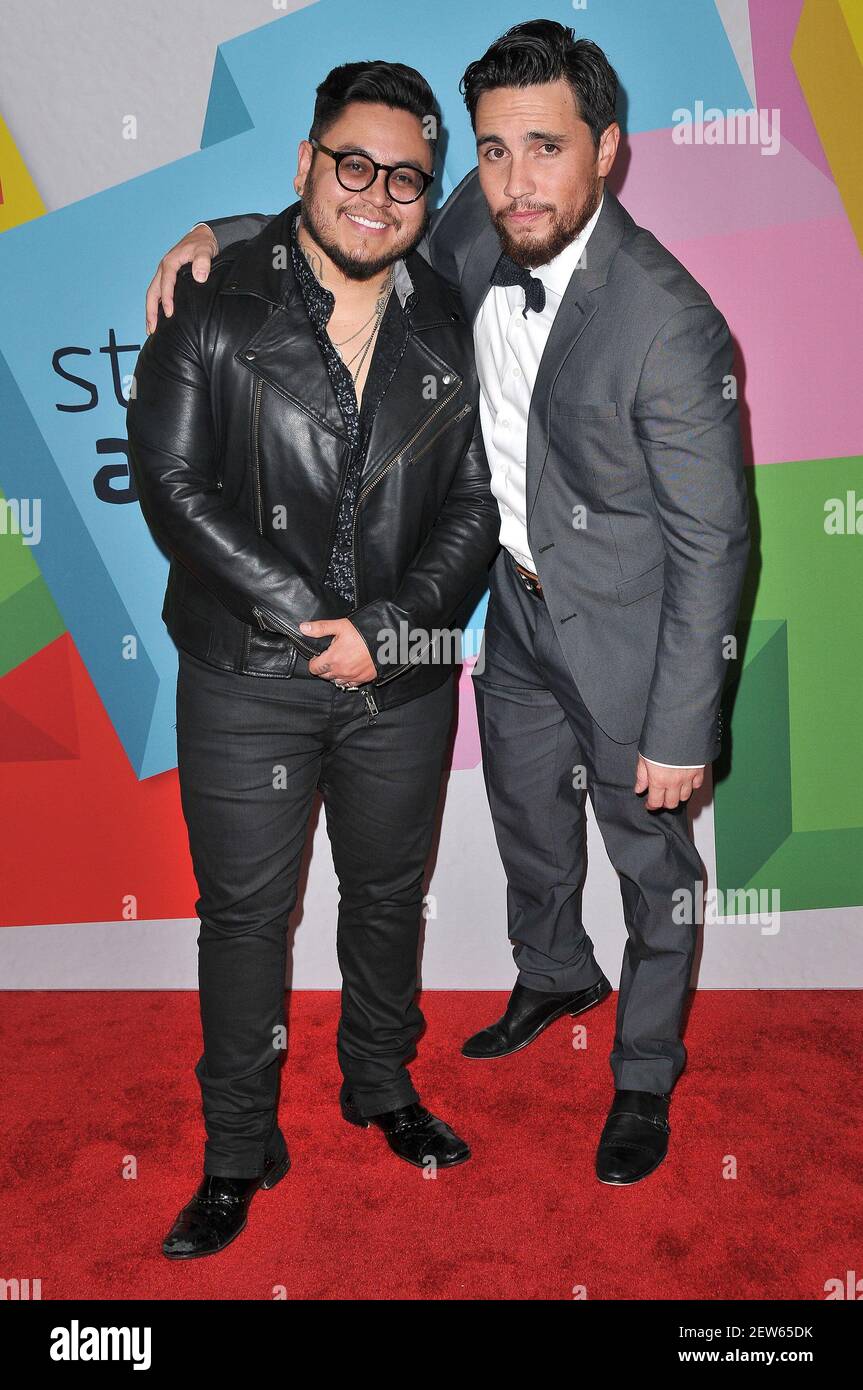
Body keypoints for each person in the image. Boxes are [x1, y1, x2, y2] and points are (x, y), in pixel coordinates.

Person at [145, 20, 750, 1186]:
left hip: (627, 626)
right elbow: (345, 211)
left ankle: (640, 1073)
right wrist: (217, 235)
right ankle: (550, 970)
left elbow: (713, 538)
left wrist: (684, 724)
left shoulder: (670, 325)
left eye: (545, 150)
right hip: (511, 616)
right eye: (493, 151)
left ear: (606, 152)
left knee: (650, 860)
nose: (516, 181)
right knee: (526, 816)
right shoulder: (475, 219)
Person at [127, 58, 500, 1259]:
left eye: (405, 177)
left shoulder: (450, 311)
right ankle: (238, 1148)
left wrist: (387, 635)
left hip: (403, 675)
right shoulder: (215, 298)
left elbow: (477, 507)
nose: (375, 194)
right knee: (245, 917)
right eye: (353, 164)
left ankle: (379, 1084)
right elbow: (175, 489)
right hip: (245, 671)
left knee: (387, 898)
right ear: (303, 165)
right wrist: (309, 620)